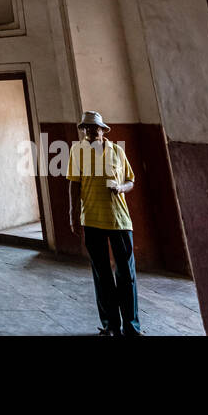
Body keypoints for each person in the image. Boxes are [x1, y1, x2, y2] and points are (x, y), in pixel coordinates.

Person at [67, 111, 141, 337]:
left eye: (95, 127)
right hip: (91, 218)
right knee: (102, 274)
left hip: (119, 219)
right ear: (83, 130)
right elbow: (74, 185)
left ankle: (132, 327)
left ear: (103, 129)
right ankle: (110, 325)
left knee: (126, 274)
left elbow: (130, 180)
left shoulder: (117, 151)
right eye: (87, 128)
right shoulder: (77, 152)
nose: (91, 131)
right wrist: (73, 213)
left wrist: (120, 188)